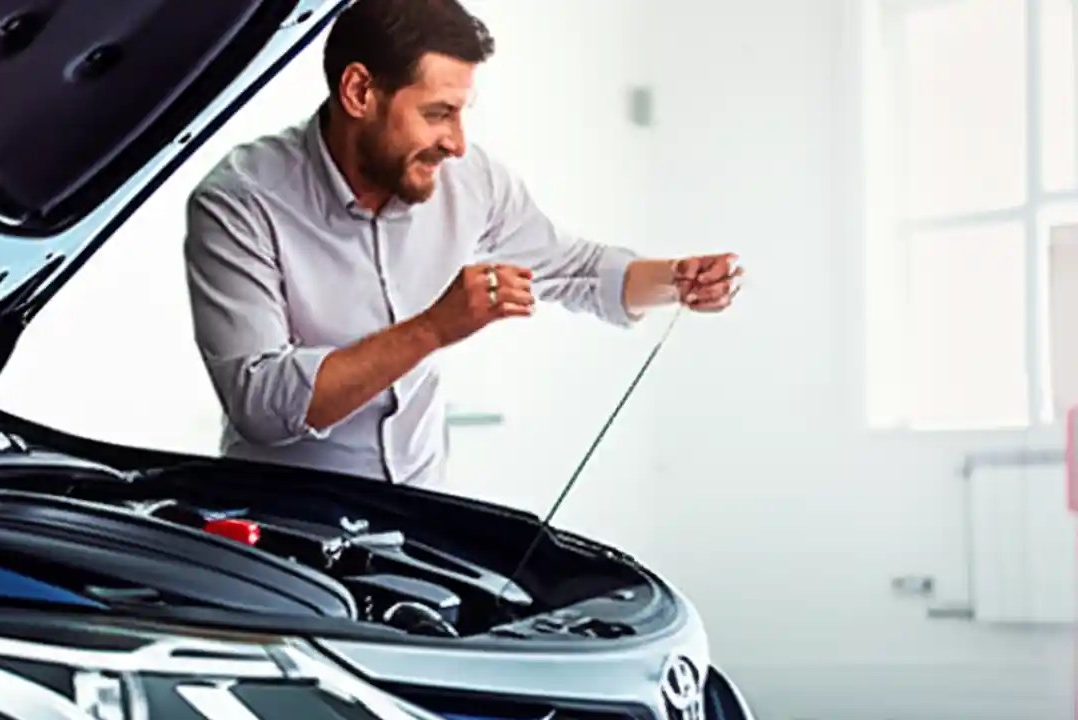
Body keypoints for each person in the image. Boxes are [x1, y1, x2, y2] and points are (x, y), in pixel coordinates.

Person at [183, 0, 741, 488]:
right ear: (359, 92)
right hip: (283, 524)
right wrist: (433, 328)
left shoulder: (471, 181)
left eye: (460, 113)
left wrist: (678, 280)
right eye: (437, 114)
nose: (456, 143)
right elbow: (259, 403)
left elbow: (578, 270)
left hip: (422, 513)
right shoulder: (241, 201)